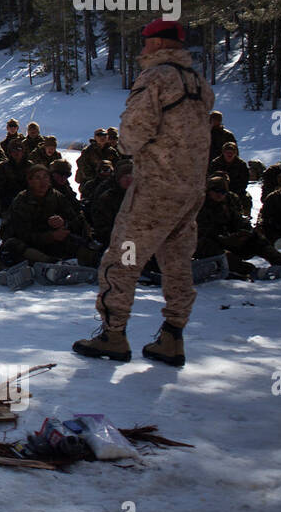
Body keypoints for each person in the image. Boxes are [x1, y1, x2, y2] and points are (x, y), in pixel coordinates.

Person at [74, 18, 216, 367]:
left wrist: (127, 146)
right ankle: (172, 336)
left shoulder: (155, 79)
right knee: (177, 262)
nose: (141, 50)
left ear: (156, 44)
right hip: (191, 188)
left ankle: (114, 334)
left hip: (156, 189)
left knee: (122, 258)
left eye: (144, 43)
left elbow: (131, 136)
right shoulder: (198, 83)